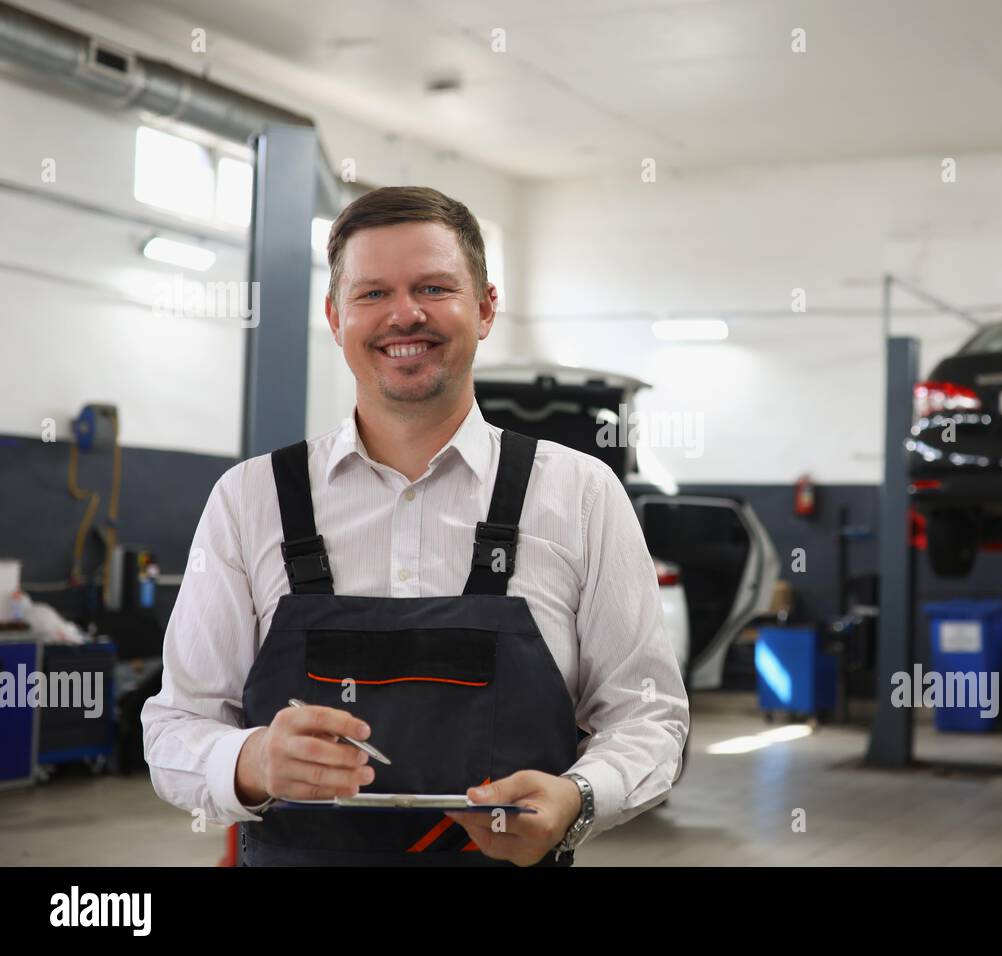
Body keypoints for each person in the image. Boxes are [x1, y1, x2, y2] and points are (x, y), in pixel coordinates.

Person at [142, 185, 689, 867]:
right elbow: (176, 727)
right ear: (335, 316)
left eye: (434, 287)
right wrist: (251, 760)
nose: (405, 315)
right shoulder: (249, 499)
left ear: (486, 308)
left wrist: (578, 797)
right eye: (372, 294)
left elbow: (649, 717)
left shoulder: (580, 496)